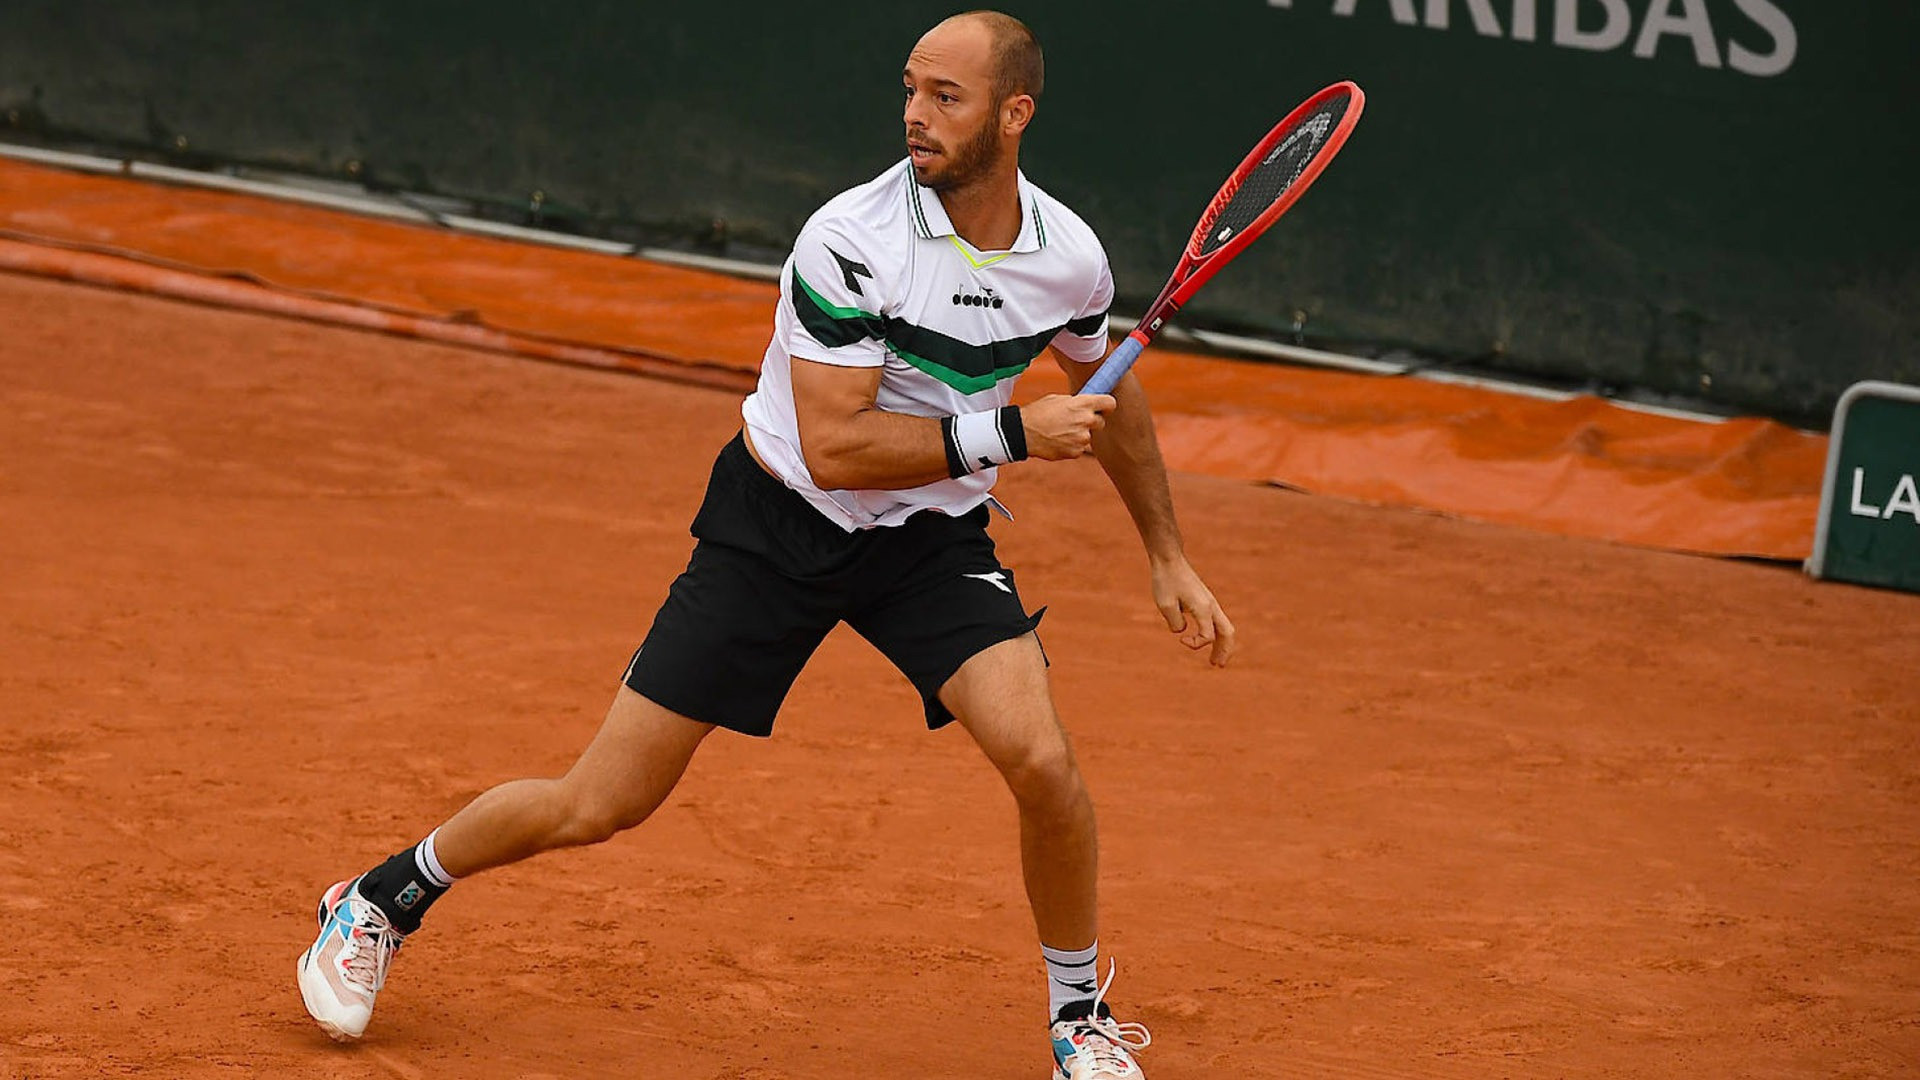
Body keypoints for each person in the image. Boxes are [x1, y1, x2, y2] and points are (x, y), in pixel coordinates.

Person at [297, 10, 1235, 1078]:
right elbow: (837, 448)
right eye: (911, 89)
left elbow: (1112, 394)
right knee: (601, 800)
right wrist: (1016, 431)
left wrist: (1167, 551)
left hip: (929, 538)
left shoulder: (1067, 257)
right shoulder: (849, 239)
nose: (914, 117)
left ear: (1014, 114)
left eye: (946, 97)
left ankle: (1078, 1020)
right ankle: (380, 898)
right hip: (779, 524)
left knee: (1044, 760)